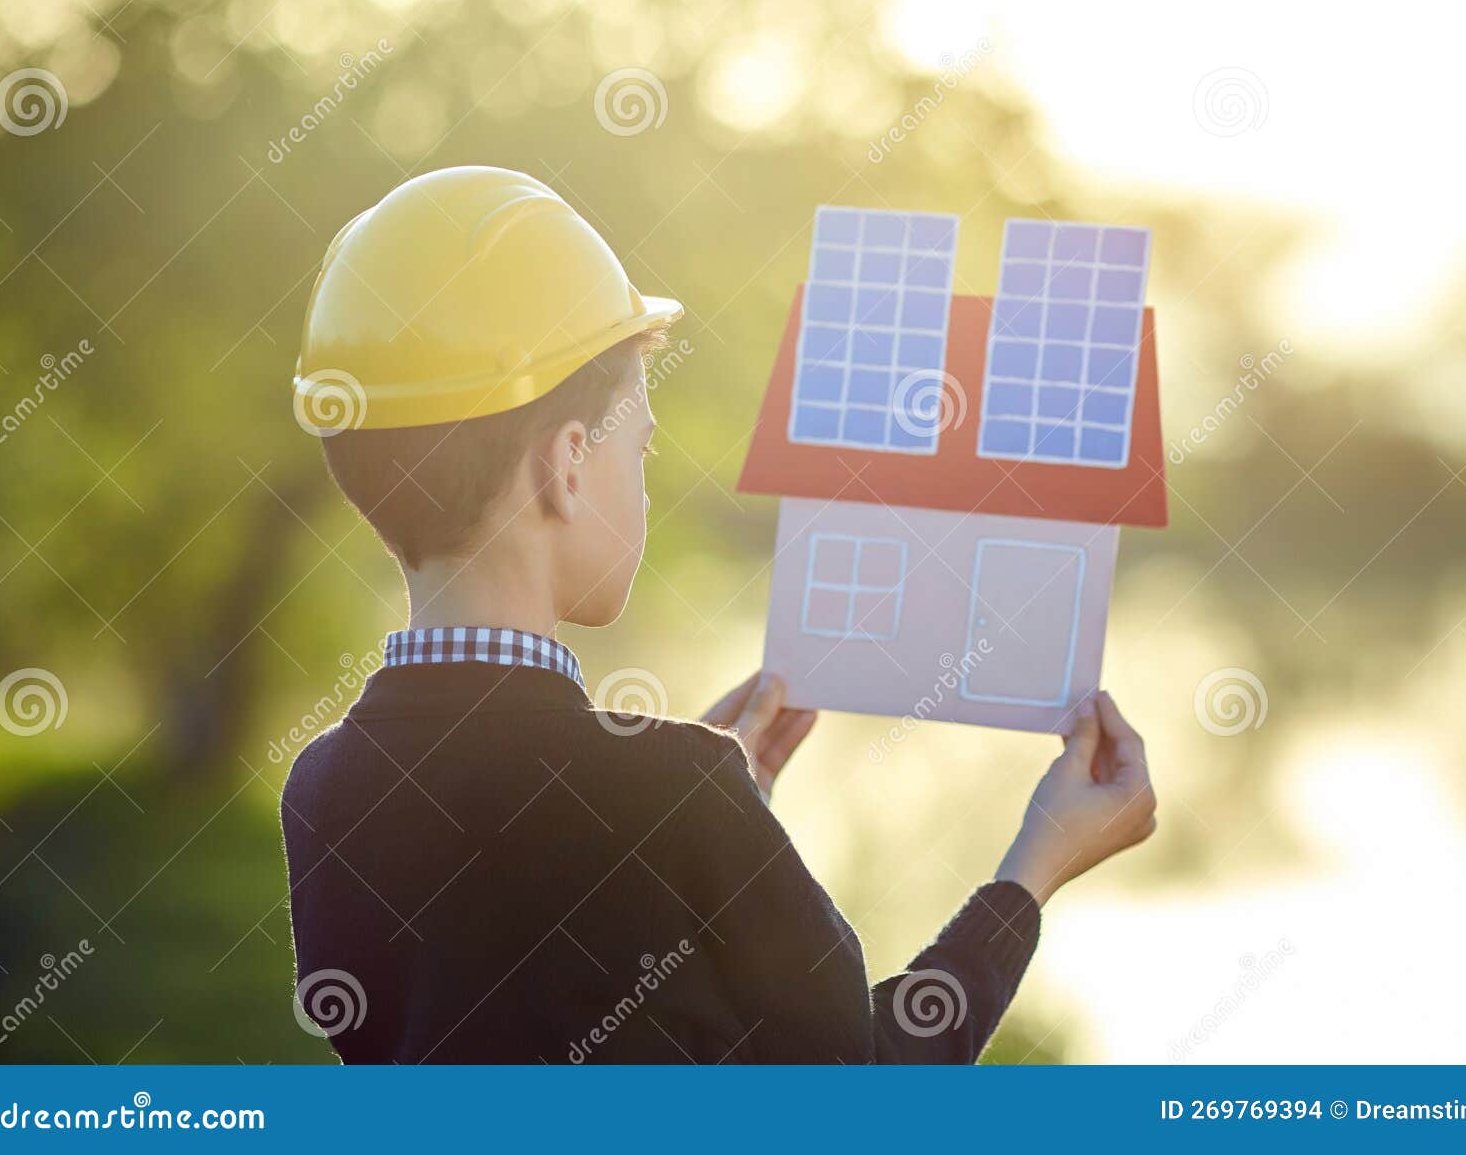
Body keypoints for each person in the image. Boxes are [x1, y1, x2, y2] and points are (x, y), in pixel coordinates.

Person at [280, 166, 1157, 1063]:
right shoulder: (678, 796)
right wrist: (1032, 871)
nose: (646, 481)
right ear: (568, 465)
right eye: (642, 445)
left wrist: (697, 845)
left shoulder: (322, 792)